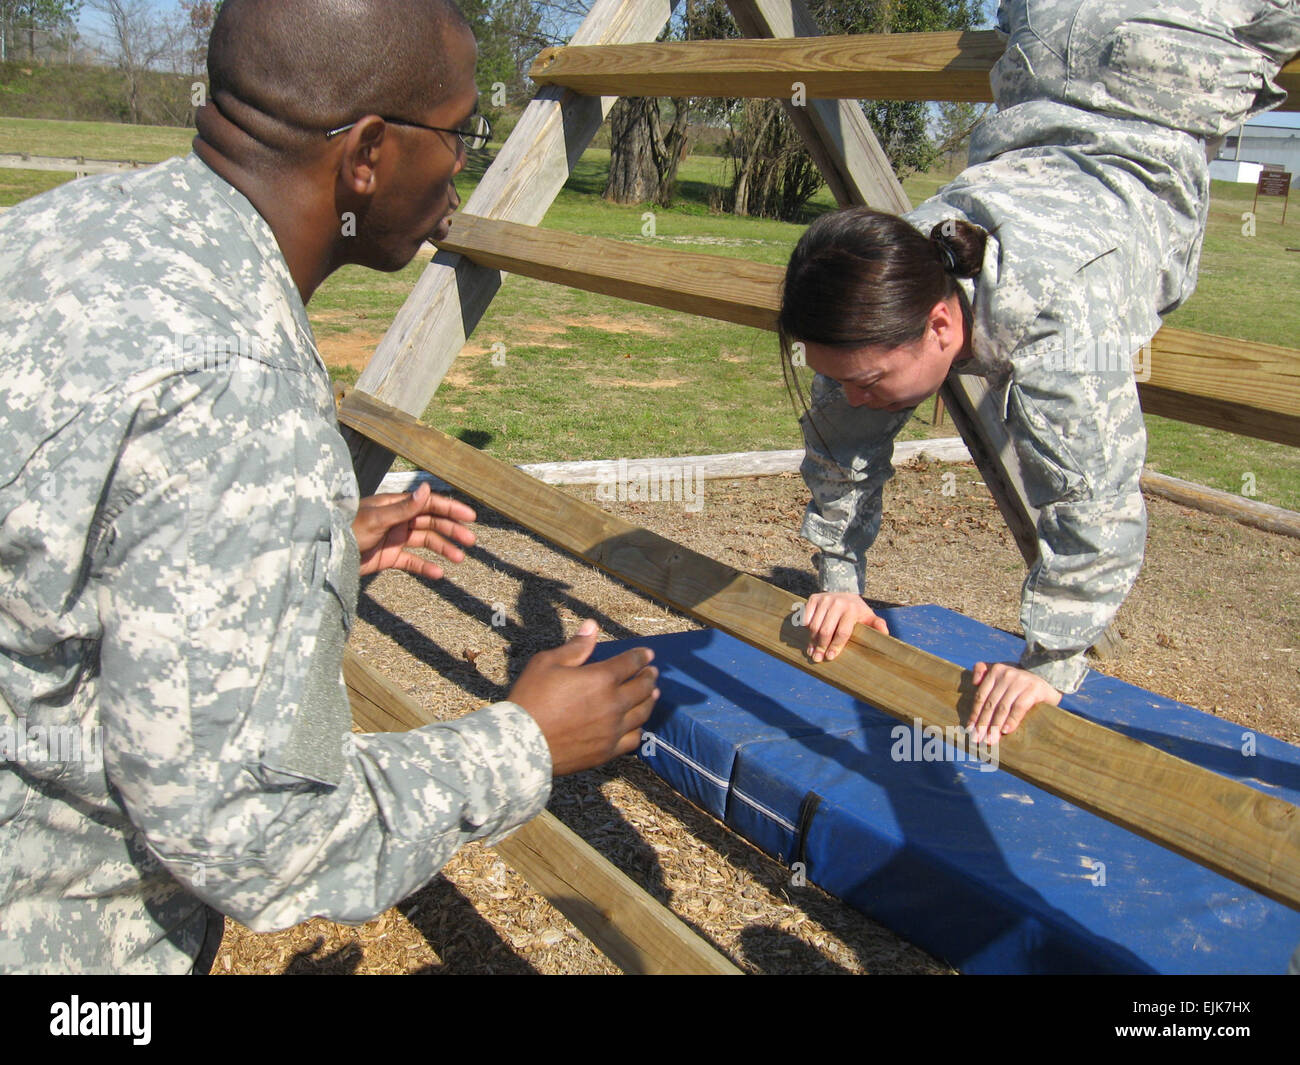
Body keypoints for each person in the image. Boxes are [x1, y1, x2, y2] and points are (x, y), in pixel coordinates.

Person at [0, 0, 658, 974]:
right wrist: (524, 742)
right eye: (460, 131)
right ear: (367, 155)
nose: (464, 166)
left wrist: (286, 552)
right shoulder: (244, 396)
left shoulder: (63, 230)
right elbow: (252, 833)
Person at [784, 0, 1300, 743]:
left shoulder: (1056, 325)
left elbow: (1096, 500)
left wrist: (1051, 660)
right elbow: (842, 431)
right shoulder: (888, 280)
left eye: (868, 379)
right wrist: (840, 578)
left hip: (1165, 58)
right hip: (1055, 42)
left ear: (940, 325)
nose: (854, 392)